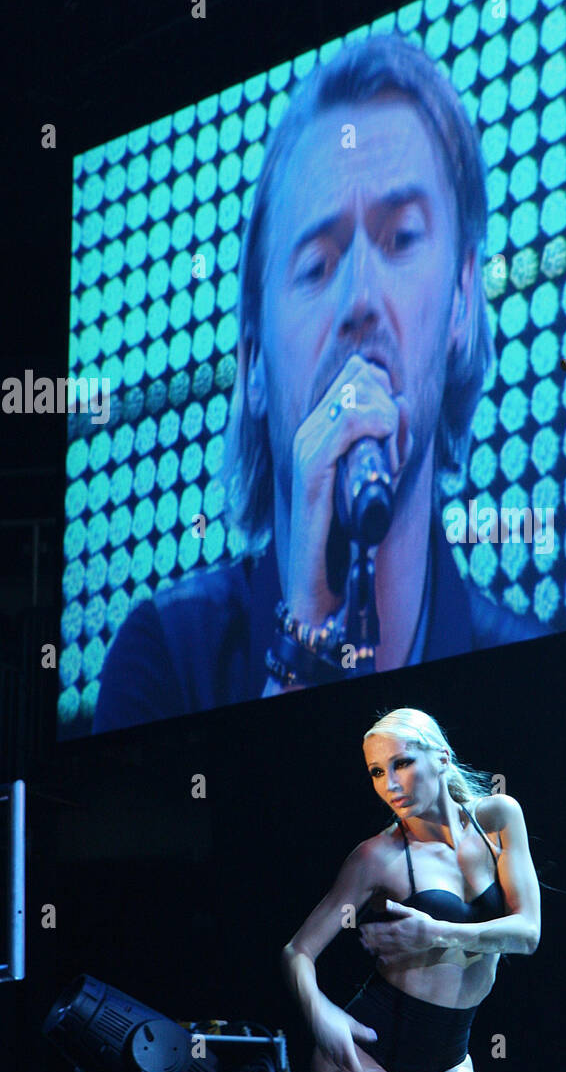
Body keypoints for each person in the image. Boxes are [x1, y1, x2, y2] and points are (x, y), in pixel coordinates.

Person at [94, 36, 539, 732]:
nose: (359, 296)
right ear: (253, 365)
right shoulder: (166, 657)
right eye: (316, 264)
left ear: (460, 299)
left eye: (400, 239)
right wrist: (302, 631)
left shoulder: (530, 664)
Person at [281, 708, 541, 1072]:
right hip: (364, 1056)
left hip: (446, 1061)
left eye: (401, 763)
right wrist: (319, 1012)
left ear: (441, 757)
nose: (391, 784)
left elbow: (527, 933)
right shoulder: (376, 856)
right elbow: (297, 952)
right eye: (377, 772)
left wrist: (434, 932)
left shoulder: (498, 818)